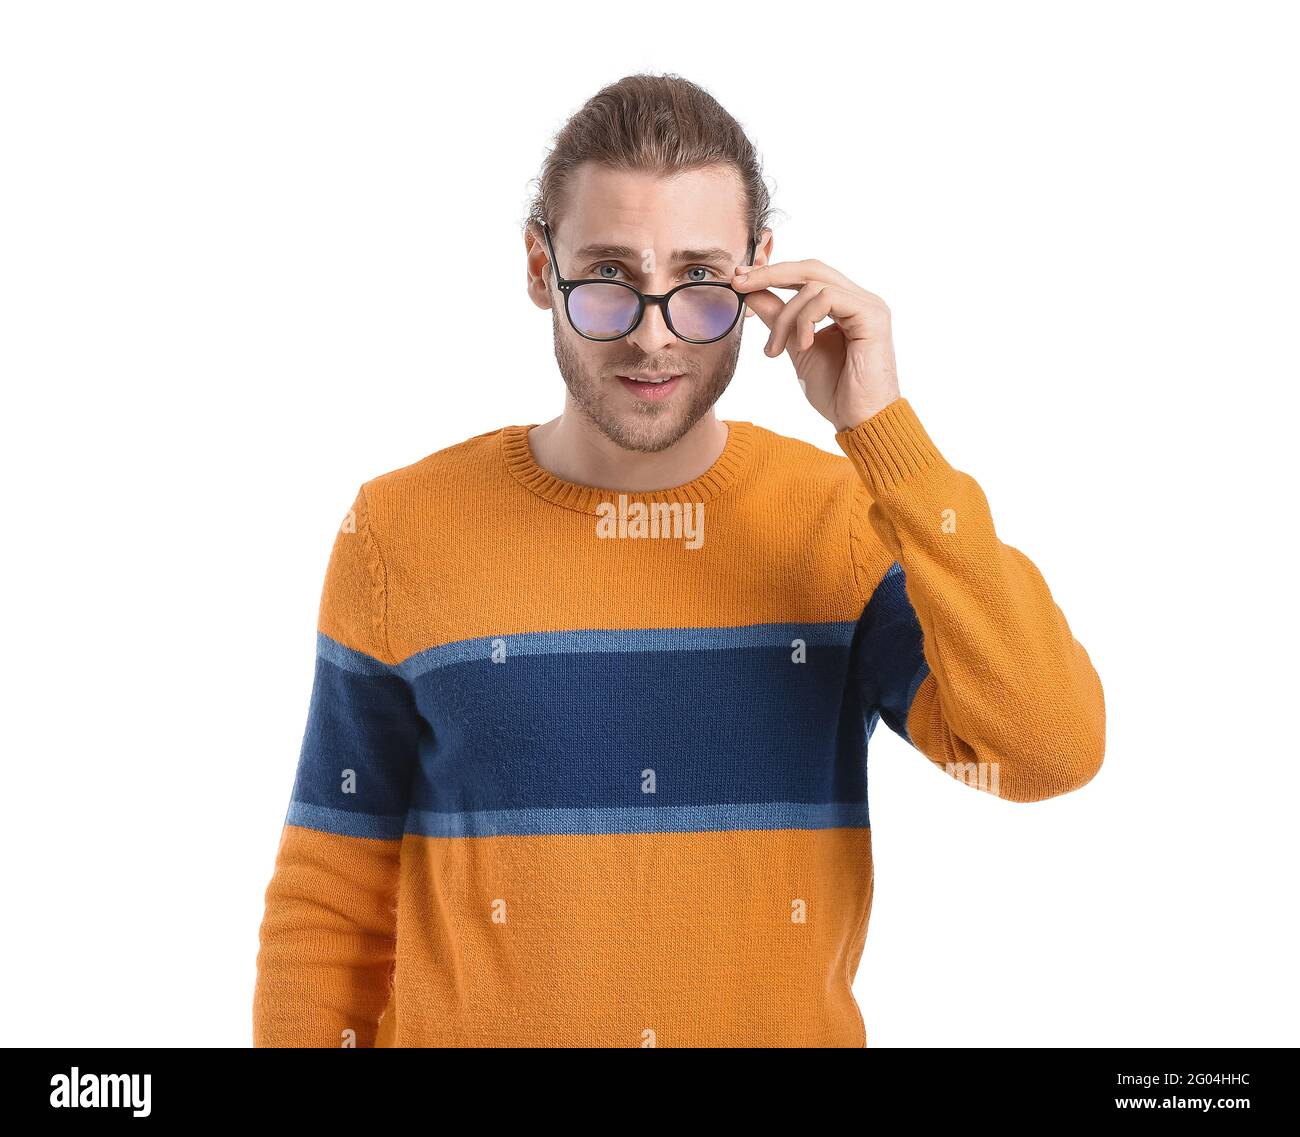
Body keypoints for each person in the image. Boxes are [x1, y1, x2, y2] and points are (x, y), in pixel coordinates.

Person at [253, 72, 1105, 1048]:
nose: (654, 337)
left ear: (760, 273)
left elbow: (1046, 752)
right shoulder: (400, 530)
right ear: (541, 267)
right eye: (609, 276)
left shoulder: (843, 527)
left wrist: (886, 436)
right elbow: (331, 898)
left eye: (700, 282)